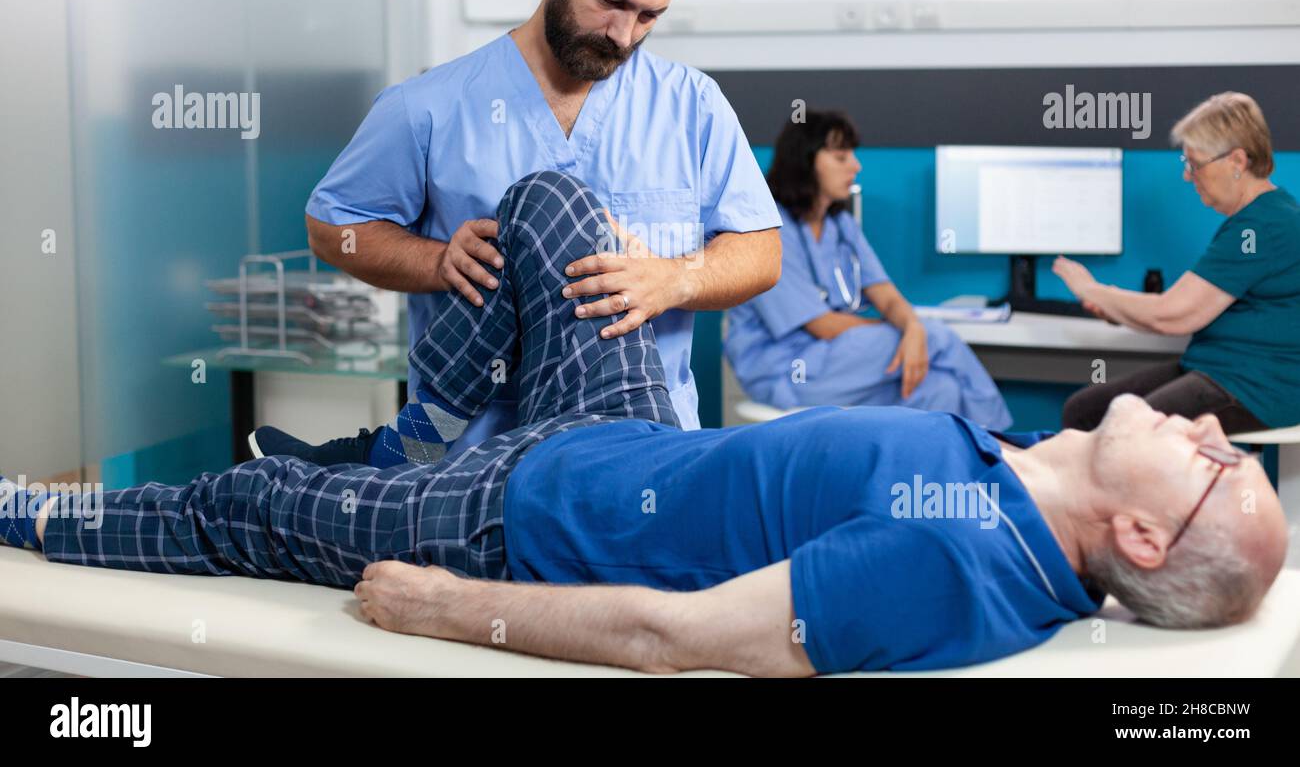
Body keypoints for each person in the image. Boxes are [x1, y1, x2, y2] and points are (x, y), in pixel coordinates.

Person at [3, 171, 1285, 676]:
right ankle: (424, 421)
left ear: (1142, 534)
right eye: (1220, 445)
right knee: (554, 204)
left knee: (246, 506)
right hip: (621, 428)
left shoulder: (957, 559)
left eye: (1212, 461)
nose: (1205, 433)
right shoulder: (1008, 484)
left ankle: (26, 509)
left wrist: (446, 603)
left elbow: (676, 637)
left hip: (522, 516)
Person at [302, 0, 781, 463]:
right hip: (469, 457)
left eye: (650, 16)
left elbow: (761, 250)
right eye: (609, 1)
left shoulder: (692, 105)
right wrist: (436, 261)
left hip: (649, 453)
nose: (624, 36)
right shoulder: (428, 106)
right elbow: (334, 229)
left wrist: (674, 279)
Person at [724, 110, 1011, 427]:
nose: (855, 166)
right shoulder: (771, 230)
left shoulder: (842, 225)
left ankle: (929, 475)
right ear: (806, 161)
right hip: (789, 371)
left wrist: (912, 327)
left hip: (839, 363)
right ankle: (1004, 452)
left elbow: (885, 295)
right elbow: (822, 325)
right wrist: (908, 332)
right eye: (840, 156)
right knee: (938, 338)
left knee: (940, 390)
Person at [1055, 92, 1300, 434]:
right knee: (1084, 412)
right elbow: (1187, 309)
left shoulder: (1262, 227)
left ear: (1237, 161)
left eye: (1195, 164)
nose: (1188, 176)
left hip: (1256, 388)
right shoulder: (1260, 217)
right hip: (1217, 370)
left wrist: (1092, 289)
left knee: (1126, 430)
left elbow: (1173, 314)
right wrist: (1115, 309)